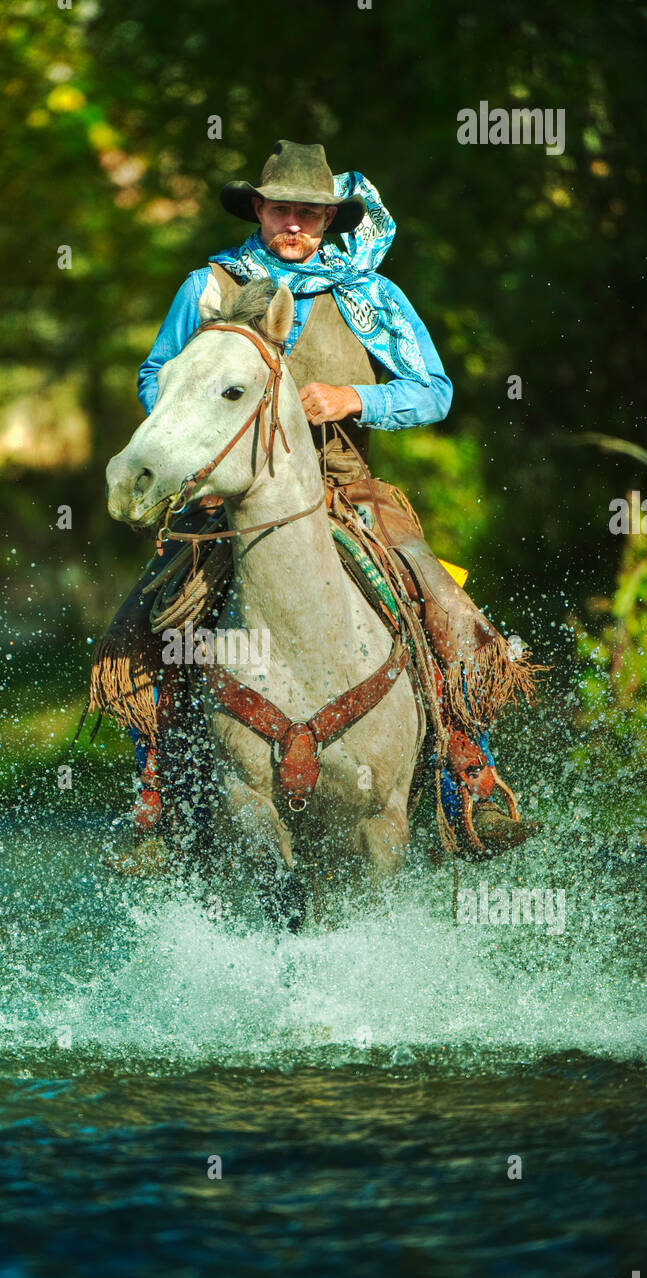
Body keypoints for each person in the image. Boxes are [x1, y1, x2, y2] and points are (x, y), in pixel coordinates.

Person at [108, 140, 539, 858]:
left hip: (350, 488)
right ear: (259, 209)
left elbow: (435, 390)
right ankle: (157, 788)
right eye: (281, 210)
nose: (295, 226)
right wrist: (201, 441)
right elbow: (160, 372)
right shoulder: (212, 289)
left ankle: (472, 775)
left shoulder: (371, 294)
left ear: (331, 217)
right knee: (143, 627)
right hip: (227, 492)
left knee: (451, 613)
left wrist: (354, 397)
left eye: (310, 214)